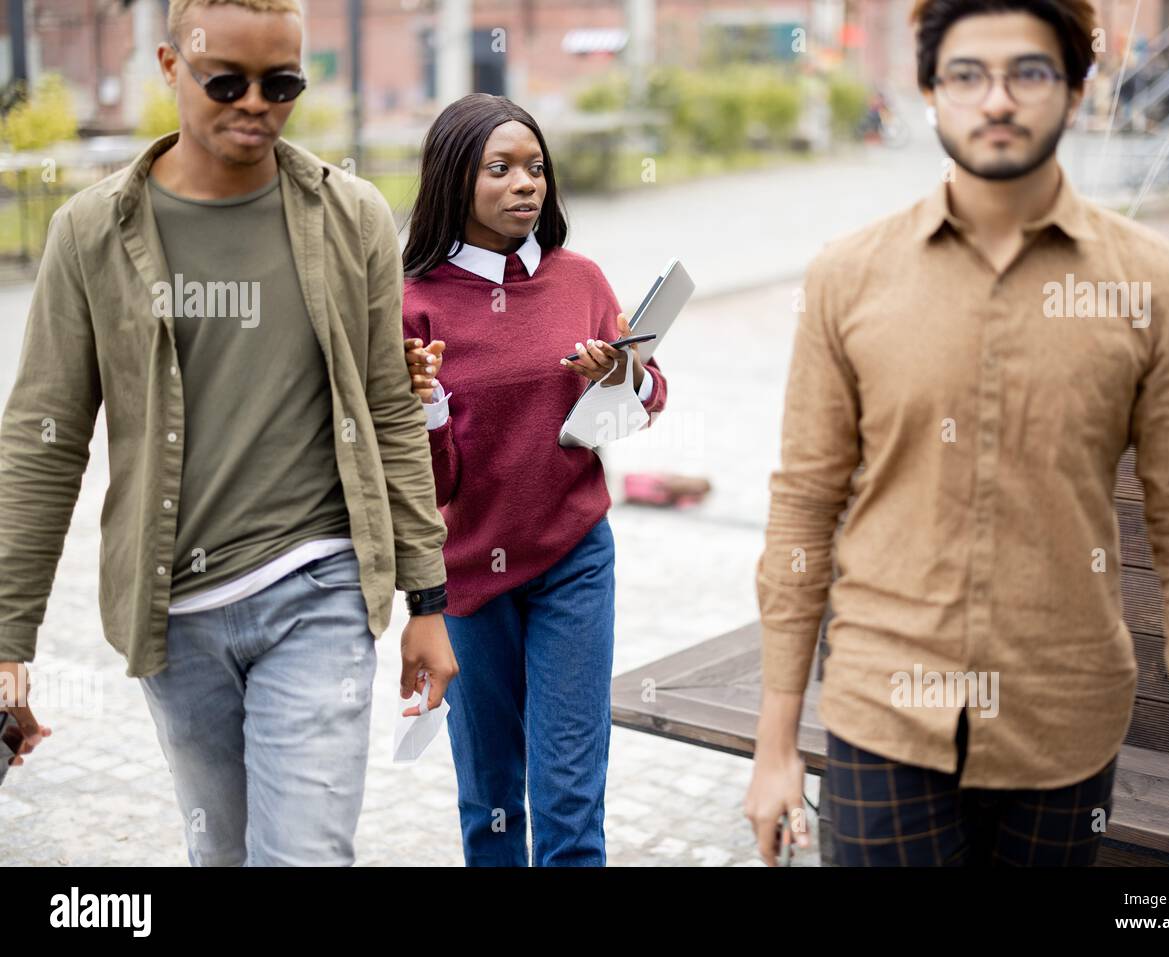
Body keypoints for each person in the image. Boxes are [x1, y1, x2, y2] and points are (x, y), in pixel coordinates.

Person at [745, 0, 1169, 867]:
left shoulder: (1156, 288)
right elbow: (803, 506)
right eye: (967, 75)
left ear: (1077, 88)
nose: (998, 99)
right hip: (884, 712)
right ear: (930, 92)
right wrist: (776, 740)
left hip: (1063, 722)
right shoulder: (848, 277)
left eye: (1030, 72)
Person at [0, 0, 457, 866]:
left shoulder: (350, 216)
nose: (257, 102)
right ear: (171, 67)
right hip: (176, 618)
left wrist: (428, 601)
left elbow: (391, 409)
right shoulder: (91, 233)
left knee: (306, 857)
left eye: (281, 82)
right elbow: (42, 441)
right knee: (225, 855)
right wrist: (7, 640)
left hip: (319, 589)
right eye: (228, 81)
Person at [401, 93, 668, 866]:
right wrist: (427, 405)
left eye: (536, 167)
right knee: (489, 801)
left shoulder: (579, 278)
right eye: (501, 168)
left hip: (573, 559)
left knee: (570, 799)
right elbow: (430, 486)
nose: (527, 184)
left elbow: (635, 411)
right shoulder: (413, 305)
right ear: (455, 179)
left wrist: (627, 380)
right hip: (467, 583)